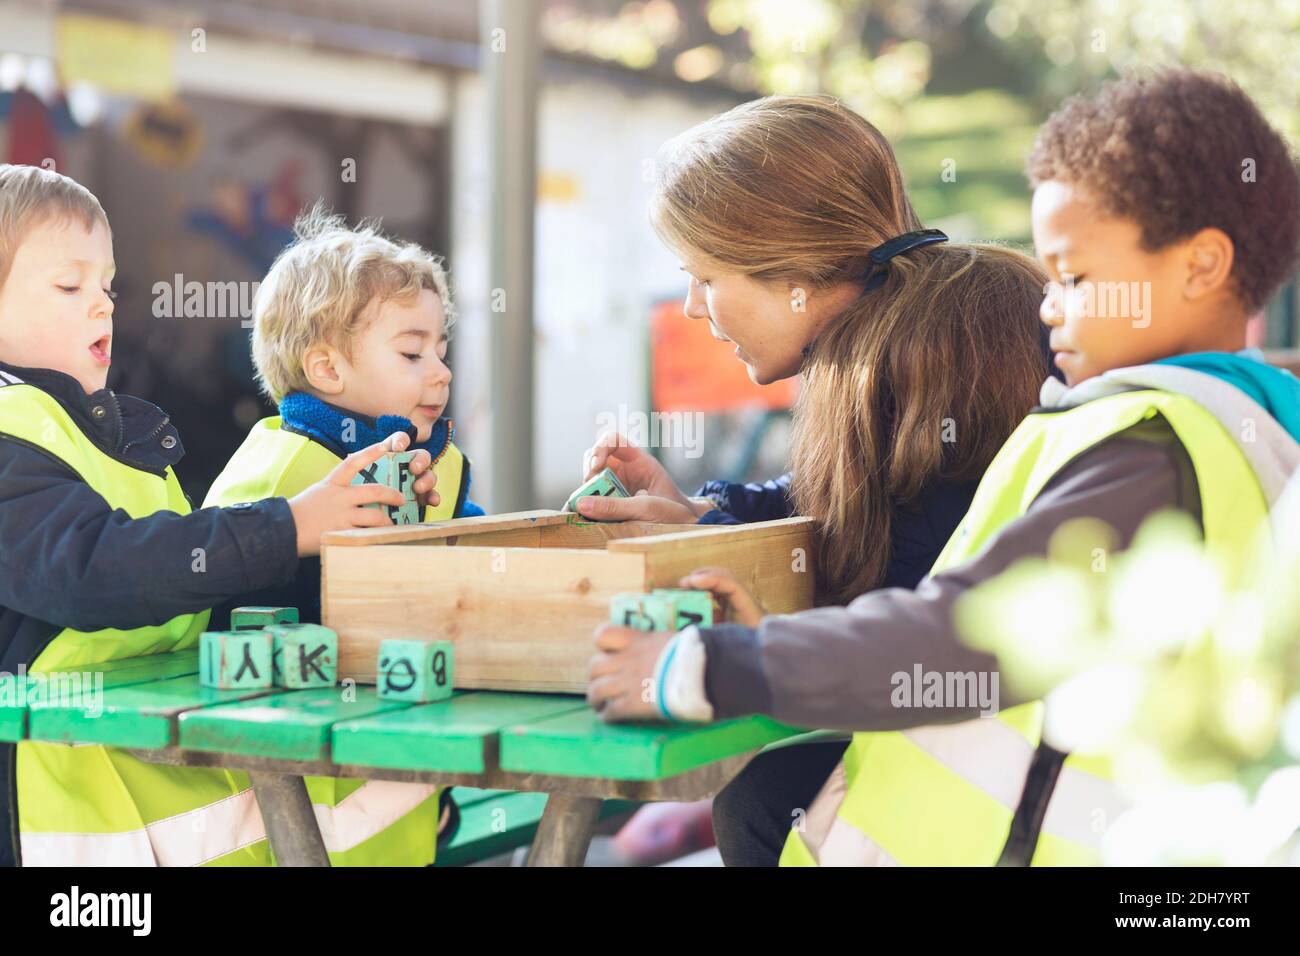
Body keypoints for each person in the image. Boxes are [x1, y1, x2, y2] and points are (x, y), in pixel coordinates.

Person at [588, 68, 1300, 866]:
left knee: (761, 797)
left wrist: (717, 664)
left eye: (1074, 278)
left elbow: (965, 630)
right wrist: (712, 523)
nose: (1049, 305)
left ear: (1203, 266)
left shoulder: (1147, 440)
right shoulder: (1238, 420)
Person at [576, 95, 1054, 864]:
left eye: (704, 277)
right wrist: (698, 513)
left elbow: (898, 594)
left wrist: (733, 607)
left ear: (788, 264)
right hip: (1023, 723)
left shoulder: (898, 359)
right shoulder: (931, 308)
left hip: (1011, 751)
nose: (695, 308)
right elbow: (852, 509)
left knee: (764, 792)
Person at [0, 164, 431, 866]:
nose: (102, 306)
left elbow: (200, 602)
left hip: (137, 801)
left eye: (107, 287)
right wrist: (287, 526)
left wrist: (340, 537)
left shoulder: (103, 435)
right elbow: (92, 571)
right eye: (69, 286)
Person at [205, 206, 482, 866]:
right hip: (292, 810)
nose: (441, 371)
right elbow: (224, 634)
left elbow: (478, 567)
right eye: (413, 351)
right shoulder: (278, 475)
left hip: (403, 796)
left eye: (441, 349)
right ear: (326, 370)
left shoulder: (438, 461)